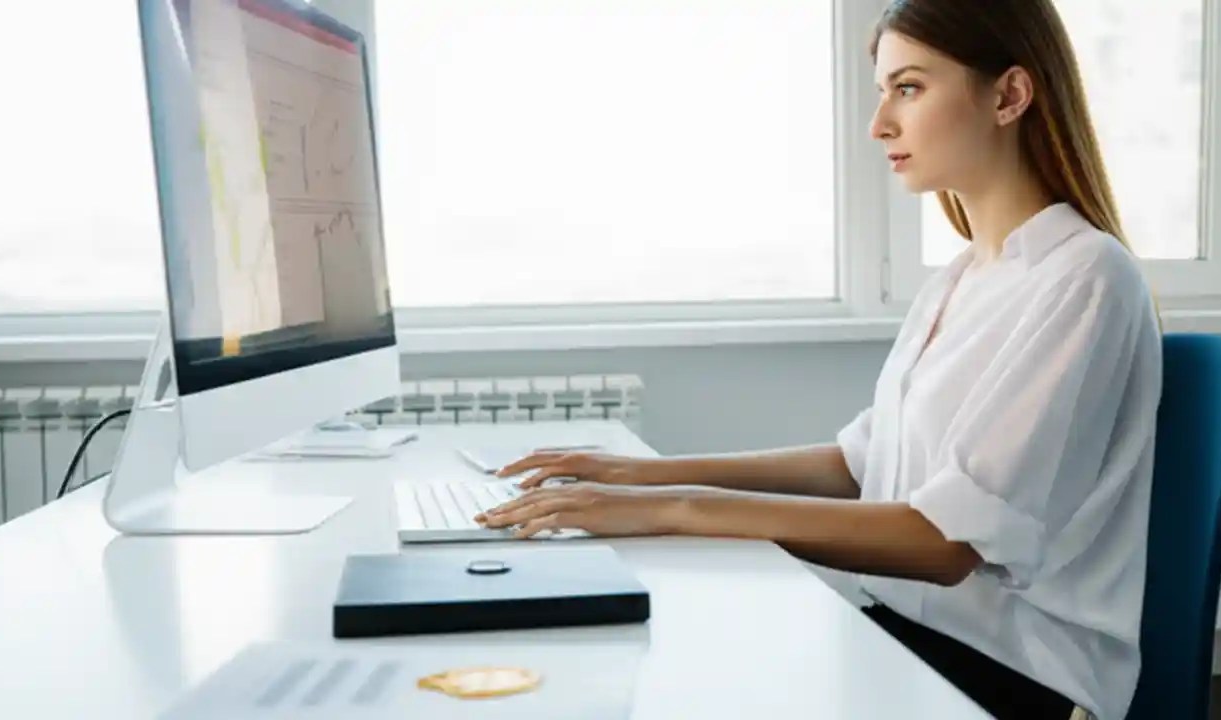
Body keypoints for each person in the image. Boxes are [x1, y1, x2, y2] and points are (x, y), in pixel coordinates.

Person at [476, 1, 1162, 718]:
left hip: (1015, 674)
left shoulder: (1086, 277)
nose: (880, 125)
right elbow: (859, 465)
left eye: (909, 88)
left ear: (1010, 95)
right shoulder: (960, 280)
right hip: (910, 629)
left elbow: (946, 543)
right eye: (882, 91)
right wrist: (635, 472)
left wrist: (668, 509)